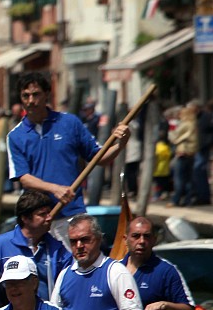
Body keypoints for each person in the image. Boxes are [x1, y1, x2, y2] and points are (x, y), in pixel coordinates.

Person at [7, 71, 129, 241]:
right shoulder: (15, 136)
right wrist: (55, 189)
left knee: (80, 265)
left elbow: (99, 158)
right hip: (37, 218)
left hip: (72, 212)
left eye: (36, 94)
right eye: (25, 96)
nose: (30, 101)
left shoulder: (70, 123)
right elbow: (24, 178)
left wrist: (121, 144)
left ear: (47, 94)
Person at [0, 190, 72, 299]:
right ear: (25, 218)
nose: (49, 217)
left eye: (49, 213)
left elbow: (70, 284)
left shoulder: (58, 250)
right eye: (42, 214)